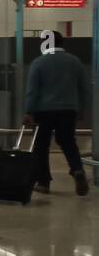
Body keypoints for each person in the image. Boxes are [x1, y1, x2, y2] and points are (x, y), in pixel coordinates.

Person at [25, 45, 90, 196]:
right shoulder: (75, 62)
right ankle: (77, 169)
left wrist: (29, 111)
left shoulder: (39, 62)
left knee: (41, 145)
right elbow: (83, 88)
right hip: (68, 110)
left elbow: (32, 90)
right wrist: (81, 109)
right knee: (68, 142)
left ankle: (43, 183)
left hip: (43, 111)